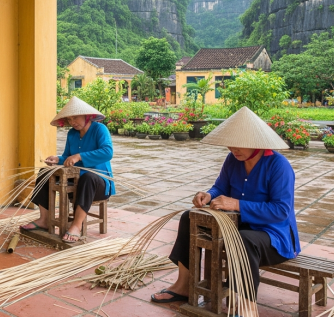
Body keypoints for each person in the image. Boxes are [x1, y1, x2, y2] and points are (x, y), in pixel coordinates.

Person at [151, 107, 300, 316]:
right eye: (230, 144)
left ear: (255, 141)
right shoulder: (233, 159)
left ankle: (248, 306)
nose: (233, 149)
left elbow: (281, 211)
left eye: (238, 144)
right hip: (240, 227)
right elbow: (220, 187)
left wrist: (237, 204)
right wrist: (209, 195)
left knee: (244, 239)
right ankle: (183, 285)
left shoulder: (278, 166)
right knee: (188, 218)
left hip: (274, 237)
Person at [20, 97, 116, 243]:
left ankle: (76, 226)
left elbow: (108, 152)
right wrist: (57, 159)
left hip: (99, 184)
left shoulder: (100, 129)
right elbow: (67, 156)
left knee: (88, 178)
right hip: (75, 180)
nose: (73, 122)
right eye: (70, 119)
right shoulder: (72, 133)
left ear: (86, 115)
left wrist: (79, 156)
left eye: (75, 118)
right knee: (45, 173)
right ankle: (44, 220)